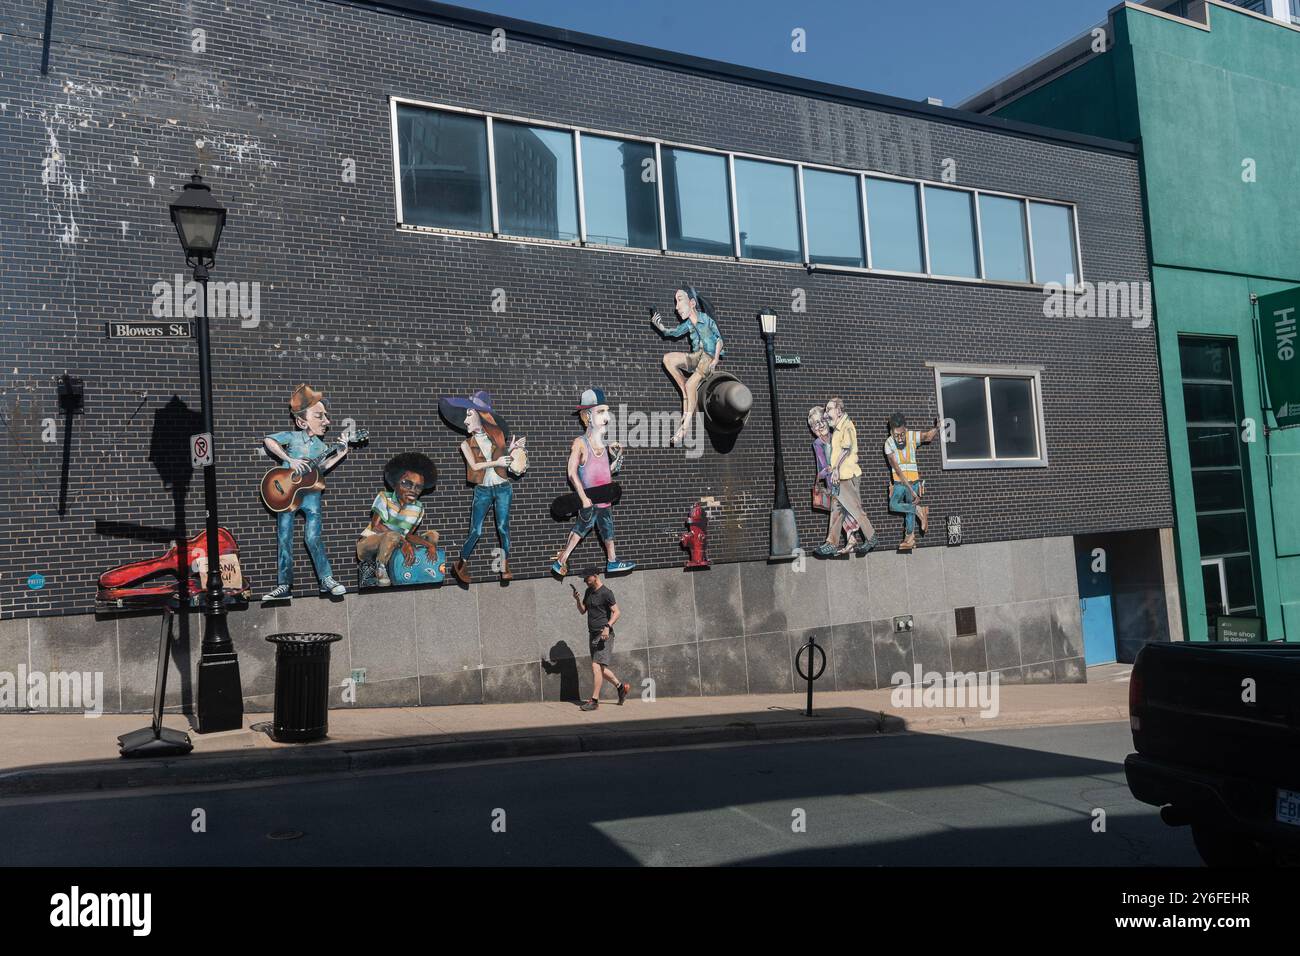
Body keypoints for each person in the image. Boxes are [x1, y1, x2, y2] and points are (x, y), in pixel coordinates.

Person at [261, 384, 349, 600]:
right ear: (302, 421)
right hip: (284, 494)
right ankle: (284, 585)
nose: (326, 422)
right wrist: (290, 460)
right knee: (284, 538)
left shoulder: (321, 447)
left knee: (313, 537)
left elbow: (322, 468)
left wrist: (341, 453)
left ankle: (326, 579)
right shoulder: (291, 437)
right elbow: (268, 440)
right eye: (319, 416)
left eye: (326, 417)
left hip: (311, 496)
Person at [439, 390, 525, 585]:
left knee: (503, 528)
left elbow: (503, 460)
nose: (466, 420)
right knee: (476, 531)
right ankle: (461, 563)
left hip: (503, 487)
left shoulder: (497, 437)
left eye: (469, 414)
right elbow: (475, 466)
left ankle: (505, 565)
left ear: (481, 416)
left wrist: (512, 449)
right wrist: (496, 462)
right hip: (483, 490)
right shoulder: (466, 444)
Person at [552, 387, 636, 577]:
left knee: (608, 531)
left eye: (606, 411)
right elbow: (572, 473)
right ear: (587, 416)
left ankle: (612, 562)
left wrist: (618, 458)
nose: (606, 417)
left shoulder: (604, 445)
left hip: (604, 500)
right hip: (590, 500)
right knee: (580, 530)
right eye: (600, 412)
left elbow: (608, 472)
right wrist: (583, 498)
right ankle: (560, 561)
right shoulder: (581, 443)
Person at [650, 285, 725, 446]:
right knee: (668, 359)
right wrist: (660, 326)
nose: (676, 307)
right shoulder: (688, 325)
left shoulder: (706, 320)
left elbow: (719, 340)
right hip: (695, 357)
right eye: (675, 302)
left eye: (679, 300)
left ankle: (684, 429)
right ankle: (683, 384)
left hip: (707, 357)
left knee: (692, 385)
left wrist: (715, 360)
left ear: (692, 303)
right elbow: (674, 332)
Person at [356, 452, 440, 586]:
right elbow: (376, 526)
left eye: (418, 487)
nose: (413, 490)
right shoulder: (384, 497)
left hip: (397, 542)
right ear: (396, 483)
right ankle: (380, 570)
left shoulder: (419, 508)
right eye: (407, 484)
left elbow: (409, 535)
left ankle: (421, 568)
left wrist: (429, 545)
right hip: (368, 544)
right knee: (393, 535)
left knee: (432, 535)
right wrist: (403, 542)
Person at [819, 397, 877, 557]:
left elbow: (846, 449)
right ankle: (831, 543)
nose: (825, 414)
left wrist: (836, 468)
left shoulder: (847, 426)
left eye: (828, 409)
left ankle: (871, 537)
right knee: (836, 510)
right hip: (840, 477)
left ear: (838, 410)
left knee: (855, 509)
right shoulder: (838, 428)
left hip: (847, 476)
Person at [572, 567, 630, 712]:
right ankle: (621, 687)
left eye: (587, 578)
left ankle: (594, 700)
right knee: (600, 669)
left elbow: (617, 612)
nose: (585, 581)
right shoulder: (588, 591)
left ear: (595, 576)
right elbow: (582, 611)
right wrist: (578, 600)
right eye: (584, 579)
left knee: (595, 666)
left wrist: (607, 626)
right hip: (592, 634)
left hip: (604, 635)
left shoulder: (606, 593)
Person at [807, 405, 860, 558]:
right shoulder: (817, 444)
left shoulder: (838, 434)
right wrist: (827, 470)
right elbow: (821, 469)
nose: (821, 425)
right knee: (840, 511)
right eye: (816, 423)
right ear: (812, 428)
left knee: (839, 510)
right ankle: (850, 540)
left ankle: (837, 542)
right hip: (833, 483)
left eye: (823, 420)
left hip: (846, 479)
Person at [885, 412, 939, 551]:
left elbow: (927, 436)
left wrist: (937, 428)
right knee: (893, 505)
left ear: (906, 429)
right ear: (891, 432)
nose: (900, 438)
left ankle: (909, 538)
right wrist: (911, 491)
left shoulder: (911, 436)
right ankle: (920, 510)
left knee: (909, 512)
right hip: (900, 482)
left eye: (902, 434)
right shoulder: (888, 444)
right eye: (896, 435)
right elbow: (897, 469)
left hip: (914, 481)